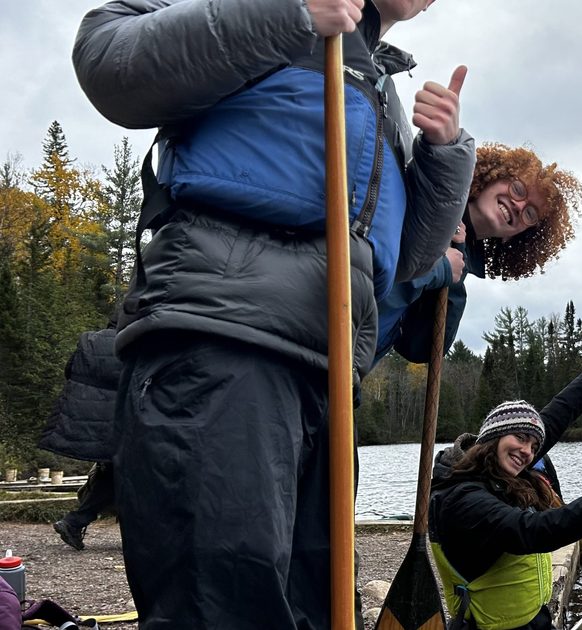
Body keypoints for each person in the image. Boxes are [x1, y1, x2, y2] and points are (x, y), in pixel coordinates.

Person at [71, 0, 474, 627]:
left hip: (328, 375)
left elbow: (401, 260)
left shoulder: (379, 86)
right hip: (226, 338)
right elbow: (109, 63)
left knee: (313, 608)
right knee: (223, 607)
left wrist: (445, 156)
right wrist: (292, 12)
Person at [429, 341, 582, 630]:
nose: (528, 452)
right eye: (521, 438)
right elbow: (531, 531)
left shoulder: (496, 469)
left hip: (531, 621)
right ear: (493, 438)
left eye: (534, 446)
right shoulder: (461, 498)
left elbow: (555, 418)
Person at [375, 142, 582, 366]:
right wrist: (440, 268)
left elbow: (418, 347)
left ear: (517, 236)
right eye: (518, 189)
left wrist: (452, 274)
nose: (519, 206)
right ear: (491, 177)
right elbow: (370, 279)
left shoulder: (461, 263)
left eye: (530, 213)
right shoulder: (425, 196)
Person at [38, 327, 121, 551]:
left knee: (111, 475)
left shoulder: (91, 341)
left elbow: (70, 371)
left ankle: (74, 523)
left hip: (93, 425)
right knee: (126, 476)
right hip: (125, 423)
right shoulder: (137, 340)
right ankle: (75, 522)